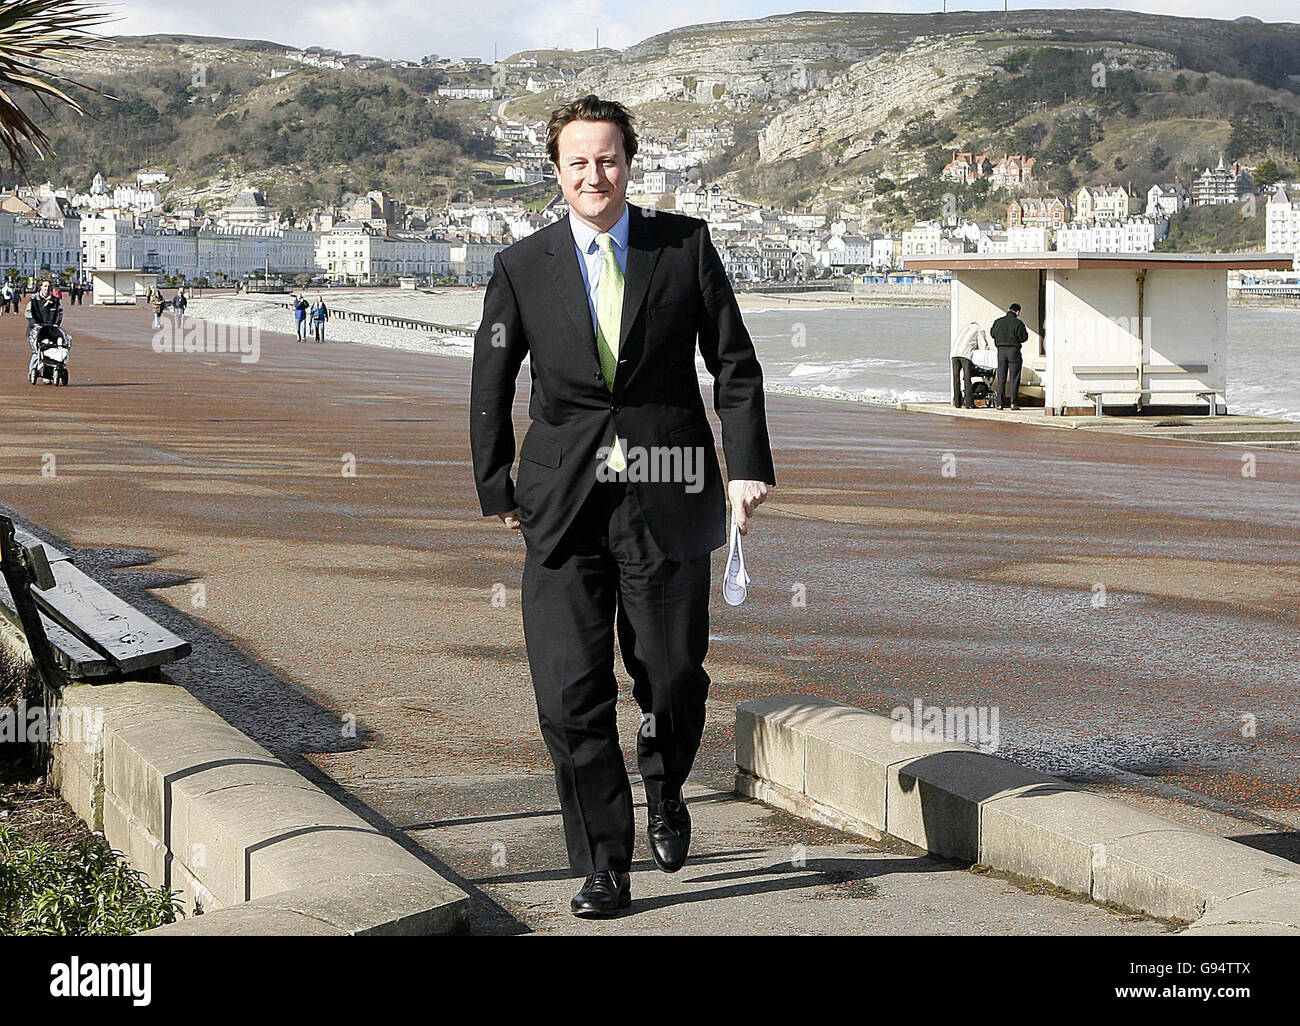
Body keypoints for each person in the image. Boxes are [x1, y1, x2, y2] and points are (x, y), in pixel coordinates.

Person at [470, 94, 775, 919]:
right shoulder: (522, 266)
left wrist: (745, 468)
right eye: (577, 162)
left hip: (667, 490)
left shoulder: (685, 246)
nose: (593, 174)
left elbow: (735, 366)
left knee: (672, 678)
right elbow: (491, 385)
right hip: (561, 504)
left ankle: (666, 780)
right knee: (569, 697)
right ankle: (605, 861)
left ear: (629, 163)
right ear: (557, 171)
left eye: (607, 159)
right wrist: (496, 484)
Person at [991, 302, 1029, 410]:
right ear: (1017, 312)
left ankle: (999, 403)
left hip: (1001, 351)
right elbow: (1024, 338)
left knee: (1001, 377)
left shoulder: (998, 322)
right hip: (1014, 351)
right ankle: (1013, 403)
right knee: (1014, 378)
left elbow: (992, 333)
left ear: (1008, 309)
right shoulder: (1018, 323)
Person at [950, 322, 995, 409]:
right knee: (967, 378)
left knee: (956, 378)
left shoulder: (964, 329)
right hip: (965, 354)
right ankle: (969, 403)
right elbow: (983, 346)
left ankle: (957, 403)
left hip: (954, 354)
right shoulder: (979, 330)